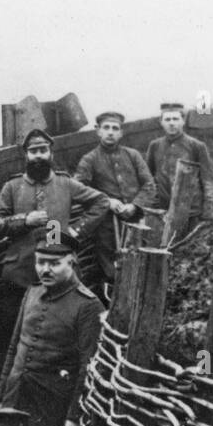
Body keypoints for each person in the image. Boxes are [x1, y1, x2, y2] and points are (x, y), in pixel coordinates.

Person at [0, 129, 108, 386]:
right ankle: (7, 389)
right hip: (19, 275)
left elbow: (101, 202)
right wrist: (23, 220)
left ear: (51, 153)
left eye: (43, 150)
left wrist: (74, 233)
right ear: (26, 155)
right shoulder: (12, 187)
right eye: (33, 151)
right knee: (14, 334)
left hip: (59, 274)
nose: (38, 156)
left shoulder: (65, 184)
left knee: (61, 335)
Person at [0, 229, 102, 426]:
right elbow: (15, 345)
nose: (45, 270)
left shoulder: (88, 306)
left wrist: (73, 416)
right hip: (16, 396)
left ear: (72, 261)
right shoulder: (32, 292)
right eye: (41, 262)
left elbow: (89, 367)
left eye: (55, 263)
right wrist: (2, 392)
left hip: (50, 406)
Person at [72, 111, 158, 296]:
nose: (110, 132)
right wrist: (106, 201)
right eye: (106, 128)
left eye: (115, 128)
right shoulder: (89, 159)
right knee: (112, 269)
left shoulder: (133, 155)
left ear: (121, 132)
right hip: (107, 227)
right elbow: (78, 189)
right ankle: (113, 303)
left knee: (140, 260)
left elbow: (149, 185)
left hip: (137, 222)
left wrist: (135, 206)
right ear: (98, 131)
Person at [144, 102, 213, 236]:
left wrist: (208, 211)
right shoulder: (155, 146)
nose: (172, 123)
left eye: (175, 119)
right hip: (166, 212)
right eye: (167, 119)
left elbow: (209, 180)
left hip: (193, 213)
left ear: (183, 121)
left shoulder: (197, 146)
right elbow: (146, 178)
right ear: (161, 122)